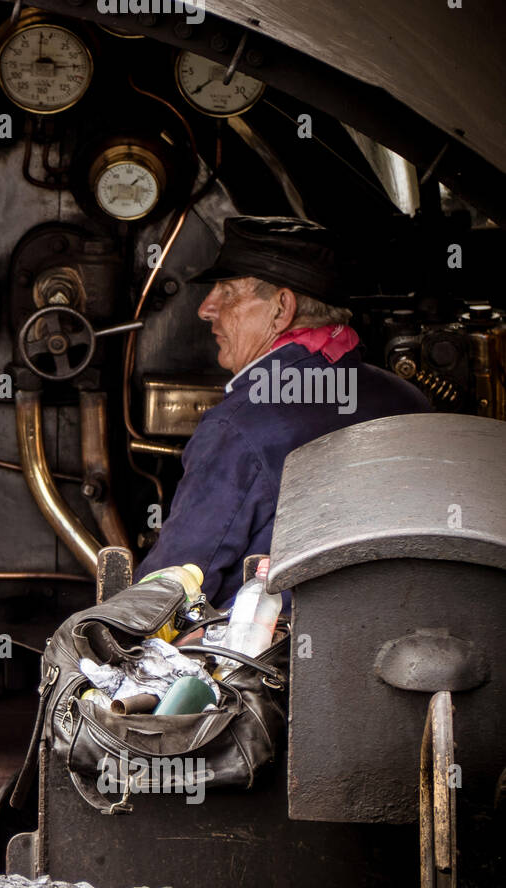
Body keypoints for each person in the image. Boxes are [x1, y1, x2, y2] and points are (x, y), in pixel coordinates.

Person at [135, 216, 431, 607]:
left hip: (277, 661)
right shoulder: (409, 400)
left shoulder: (239, 427)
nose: (207, 308)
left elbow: (167, 591)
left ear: (281, 309)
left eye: (228, 292)